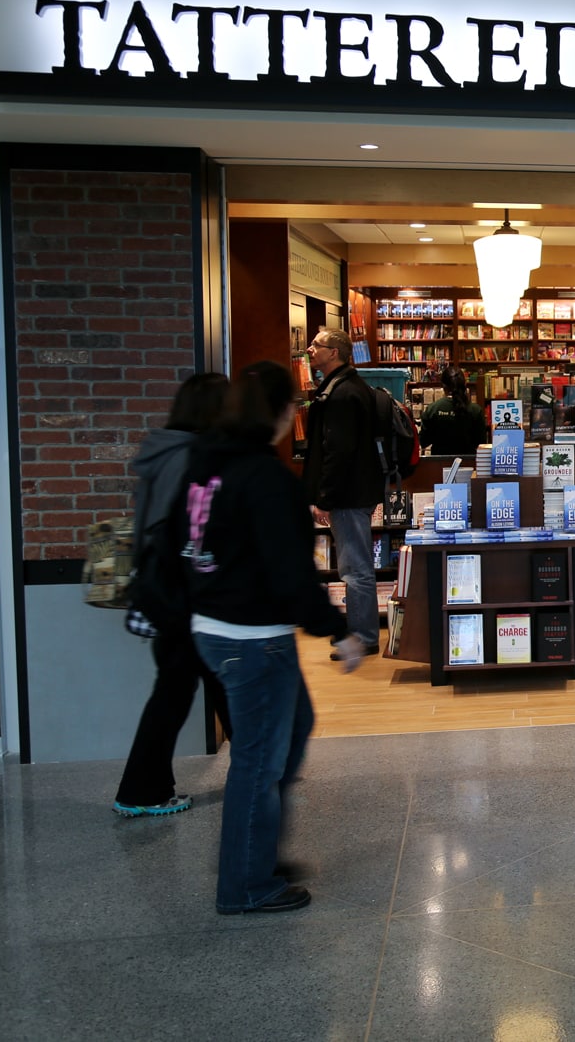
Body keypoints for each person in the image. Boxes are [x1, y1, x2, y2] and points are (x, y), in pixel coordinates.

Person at [179, 361, 366, 914]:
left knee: (293, 728)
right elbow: (290, 572)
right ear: (283, 413)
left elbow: (184, 542)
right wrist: (340, 631)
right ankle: (247, 883)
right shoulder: (266, 479)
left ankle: (255, 852)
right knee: (260, 761)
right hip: (253, 636)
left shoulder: (206, 466)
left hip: (216, 625)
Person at [112, 372, 234, 818]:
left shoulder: (162, 453)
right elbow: (187, 533)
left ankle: (261, 767)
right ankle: (141, 790)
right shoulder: (191, 459)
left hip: (168, 593)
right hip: (187, 595)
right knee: (181, 690)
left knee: (204, 684)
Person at [302, 329, 385, 658]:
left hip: (348, 495)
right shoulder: (346, 387)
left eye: (317, 345)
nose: (310, 349)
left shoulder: (342, 393)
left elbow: (338, 451)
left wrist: (325, 497)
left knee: (355, 569)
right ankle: (362, 633)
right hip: (355, 491)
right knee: (355, 566)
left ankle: (364, 637)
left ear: (334, 352)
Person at [420, 365, 487, 455]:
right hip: (468, 461)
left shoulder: (432, 409)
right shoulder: (476, 410)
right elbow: (481, 443)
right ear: (465, 385)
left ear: (443, 386)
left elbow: (423, 441)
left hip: (438, 462)